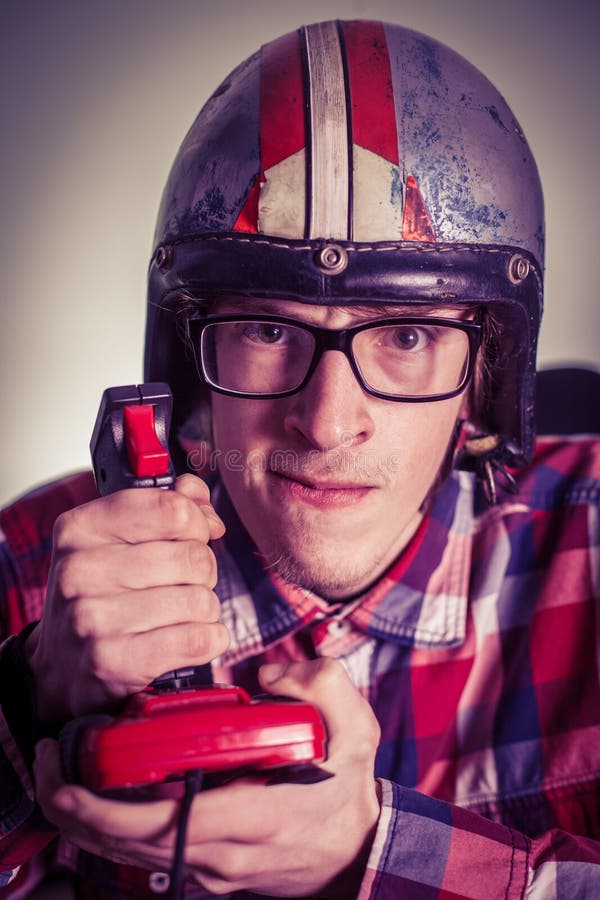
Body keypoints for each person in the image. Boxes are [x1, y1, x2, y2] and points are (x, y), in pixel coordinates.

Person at [0, 18, 598, 899]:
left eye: (404, 334)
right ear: (189, 368)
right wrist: (26, 705)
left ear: (487, 378)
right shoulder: (36, 564)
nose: (326, 423)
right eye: (267, 329)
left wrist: (376, 856)